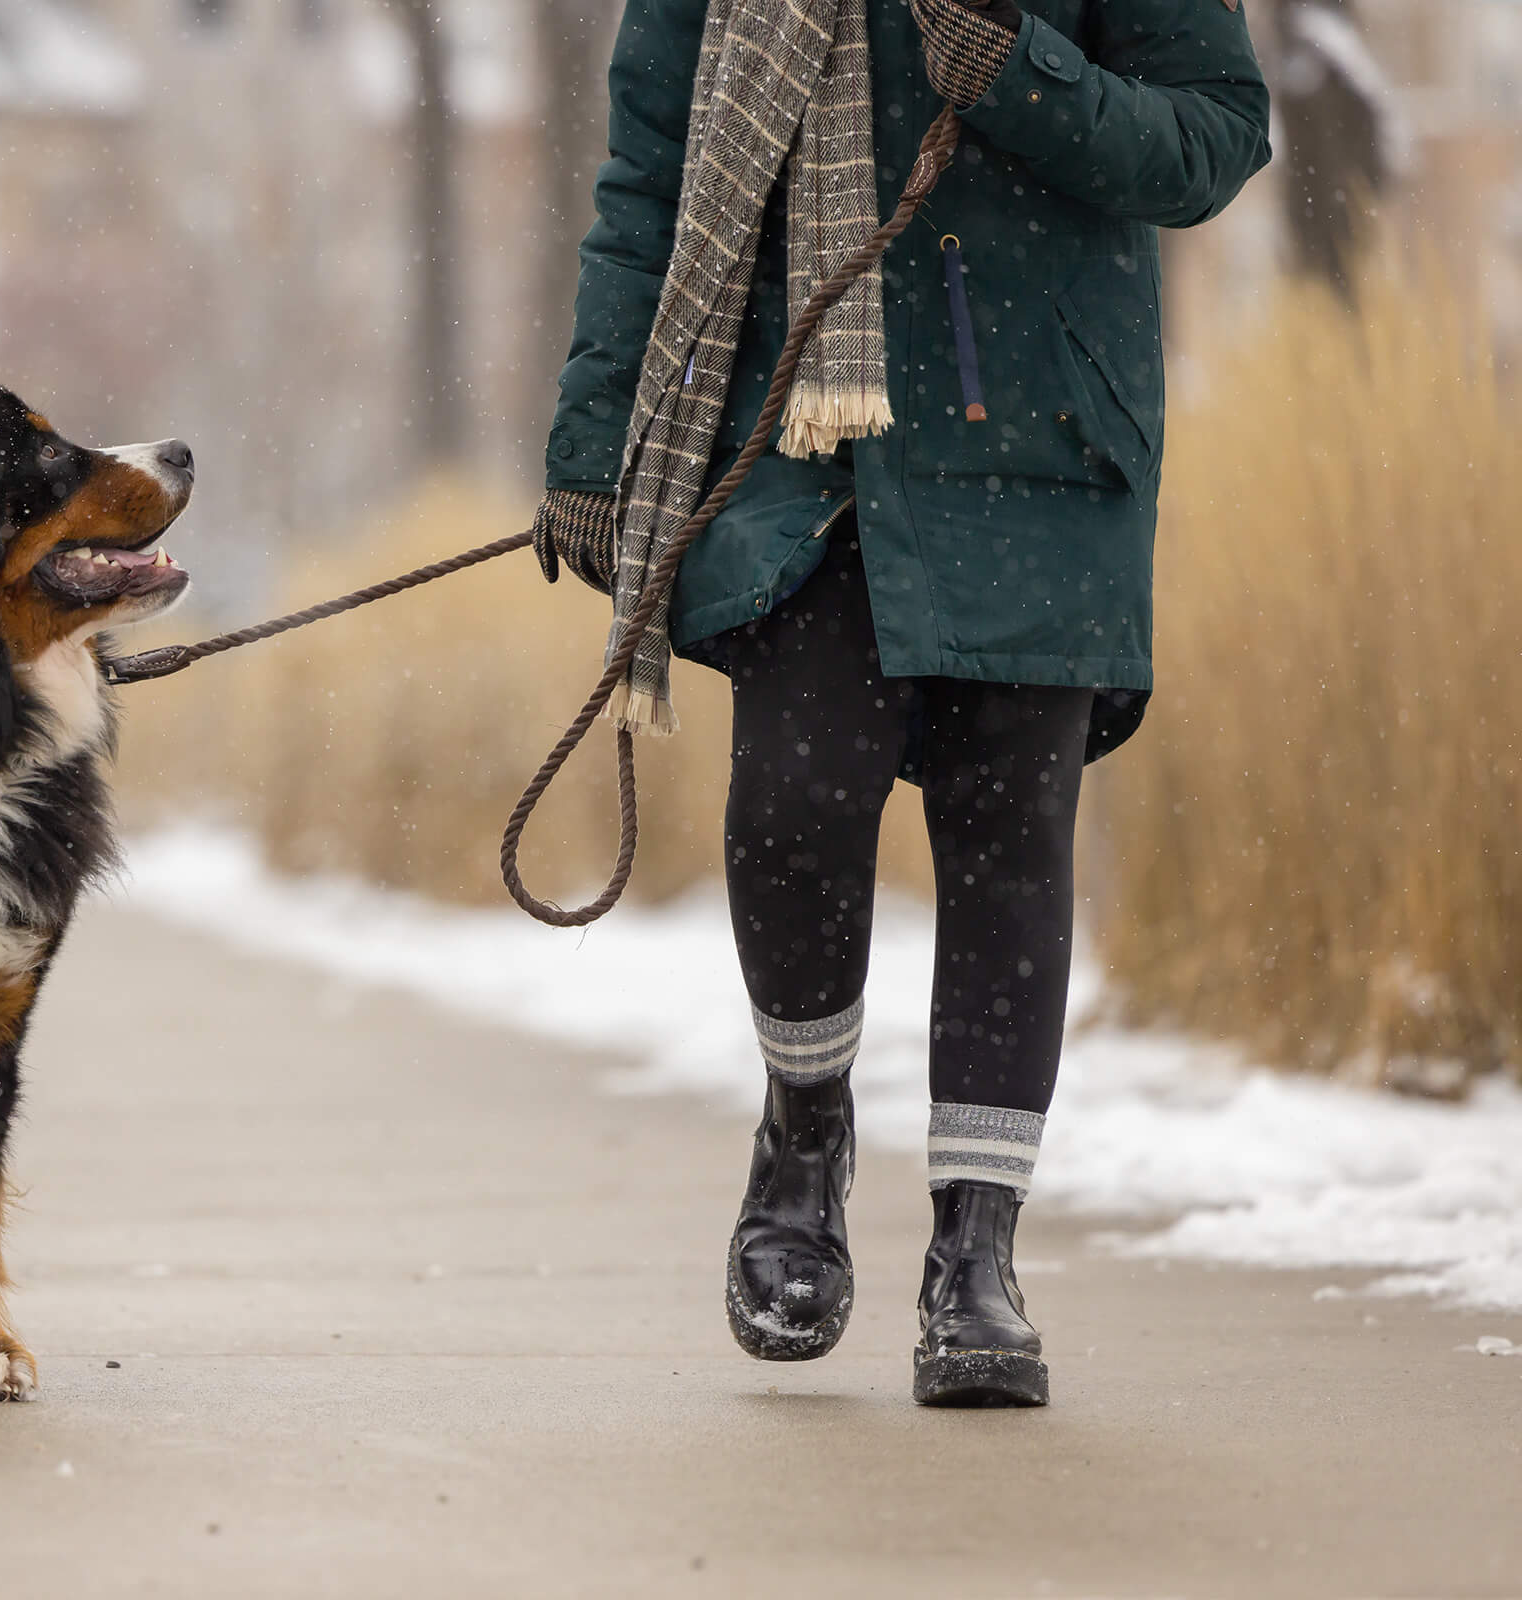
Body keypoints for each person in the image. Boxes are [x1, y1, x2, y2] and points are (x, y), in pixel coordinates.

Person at [532, 0, 1269, 1406]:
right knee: (793, 805)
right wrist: (593, 431)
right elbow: (648, 182)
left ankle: (976, 1257)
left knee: (1010, 837)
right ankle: (804, 1138)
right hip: (810, 444)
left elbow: (1214, 141)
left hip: (1042, 439)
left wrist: (1021, 72)